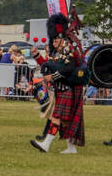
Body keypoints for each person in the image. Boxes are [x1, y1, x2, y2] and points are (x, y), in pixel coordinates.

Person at [31, 13, 87, 154]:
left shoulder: (69, 50)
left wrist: (53, 77)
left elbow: (69, 68)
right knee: (66, 121)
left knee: (56, 117)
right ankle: (71, 148)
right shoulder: (58, 52)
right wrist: (37, 56)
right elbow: (49, 65)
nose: (54, 41)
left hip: (68, 87)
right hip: (61, 89)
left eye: (56, 39)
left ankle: (46, 144)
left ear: (61, 38)